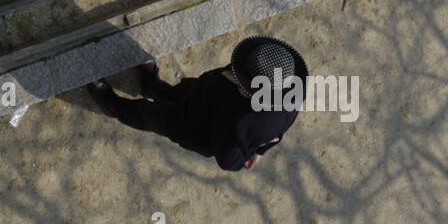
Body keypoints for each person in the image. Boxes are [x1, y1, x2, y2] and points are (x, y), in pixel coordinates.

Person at [87, 36, 306, 171]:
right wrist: (264, 148)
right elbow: (276, 136)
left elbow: (230, 160)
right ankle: (152, 85)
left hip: (191, 126)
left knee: (146, 113)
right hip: (201, 94)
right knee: (172, 93)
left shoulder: (242, 122)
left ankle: (112, 105)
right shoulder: (289, 92)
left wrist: (253, 154)